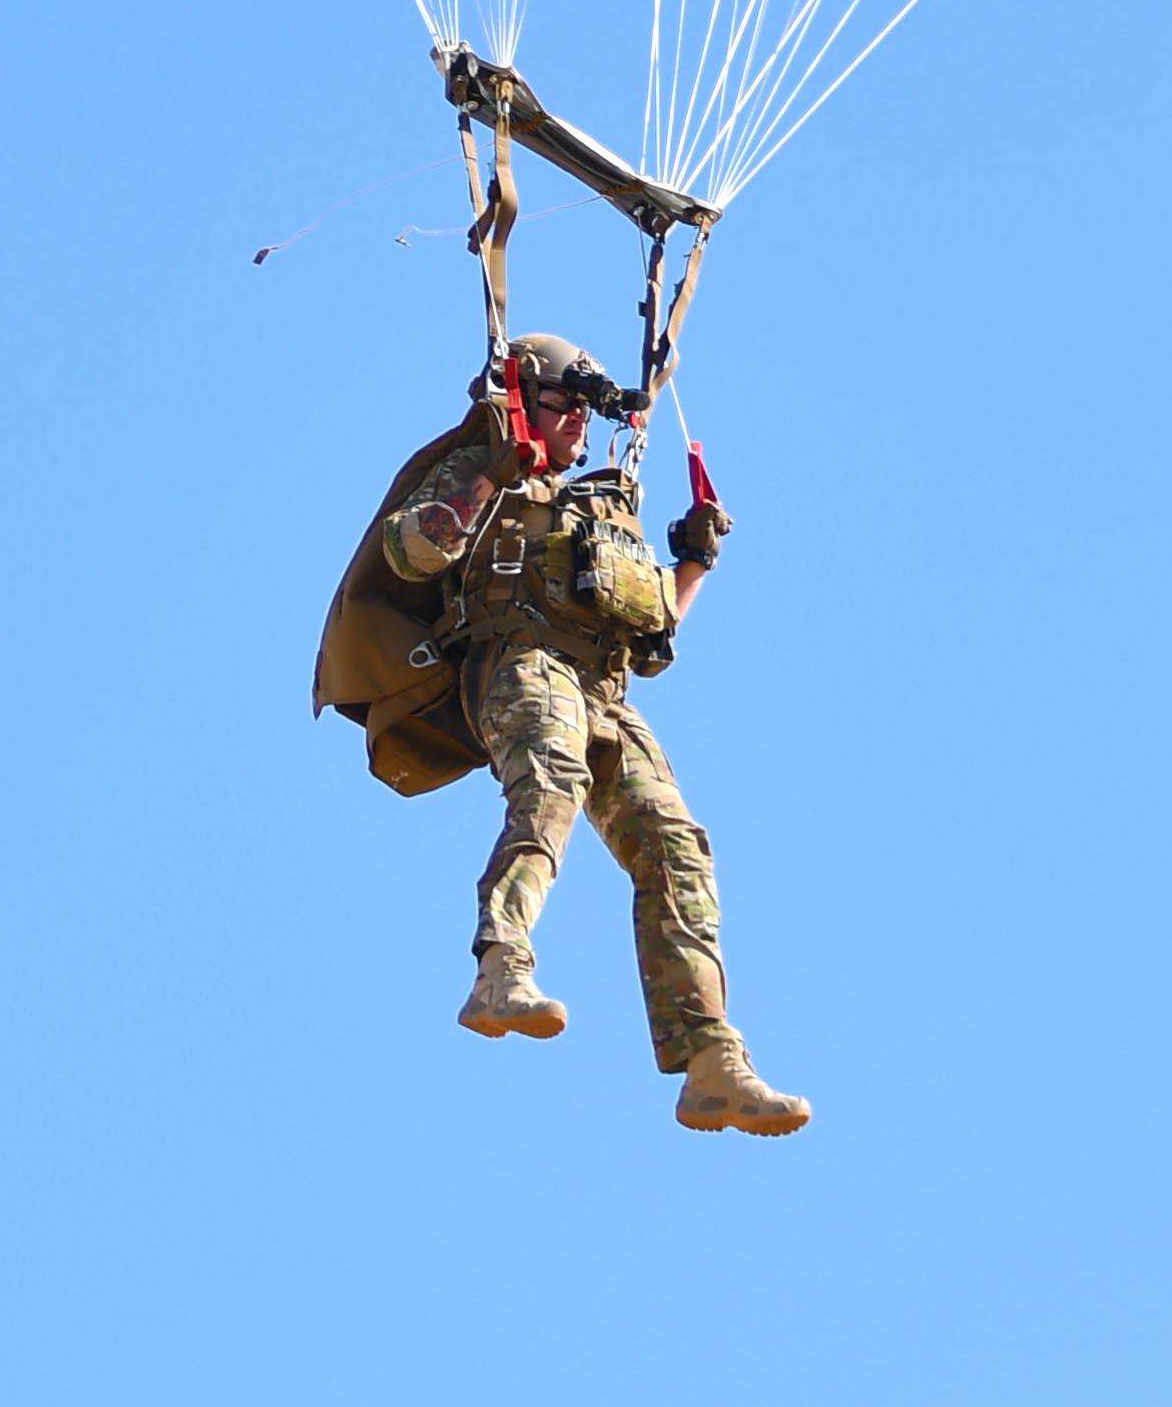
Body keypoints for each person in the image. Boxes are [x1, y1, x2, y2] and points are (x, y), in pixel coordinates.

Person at [317, 332, 810, 1137]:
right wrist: (493, 466)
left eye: (586, 410)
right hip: (519, 663)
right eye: (564, 405)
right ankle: (500, 965)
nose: (580, 423)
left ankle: (710, 1060)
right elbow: (412, 551)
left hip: (602, 690)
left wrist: (690, 567)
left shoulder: (595, 514)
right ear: (522, 401)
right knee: (551, 776)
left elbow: (652, 640)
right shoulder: (487, 477)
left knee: (674, 842)